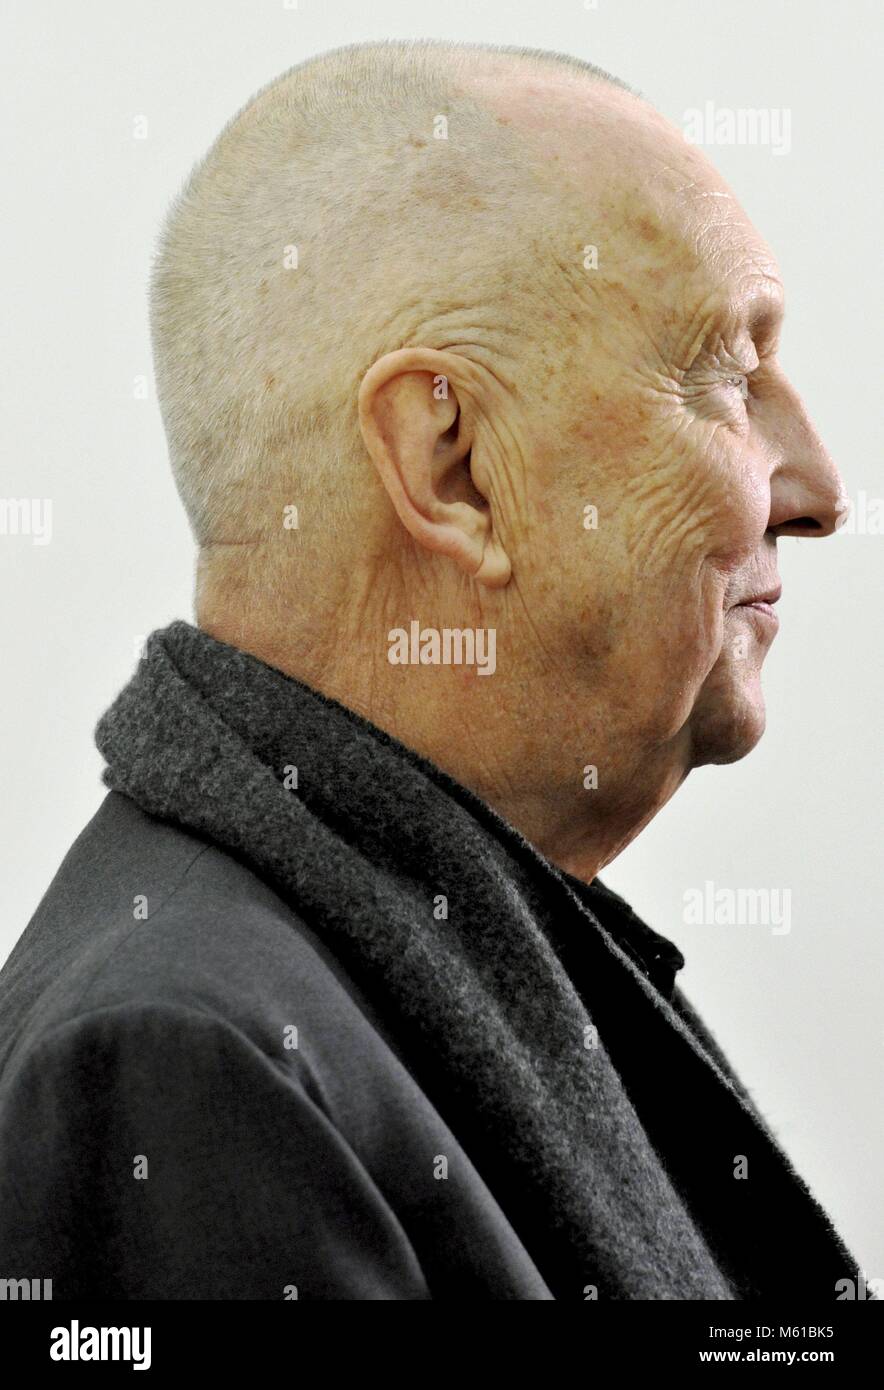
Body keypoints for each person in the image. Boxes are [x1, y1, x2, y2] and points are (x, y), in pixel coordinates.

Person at [0, 40, 857, 1300]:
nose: (818, 493)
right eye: (722, 373)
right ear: (452, 466)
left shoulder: (345, 983)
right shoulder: (189, 1069)